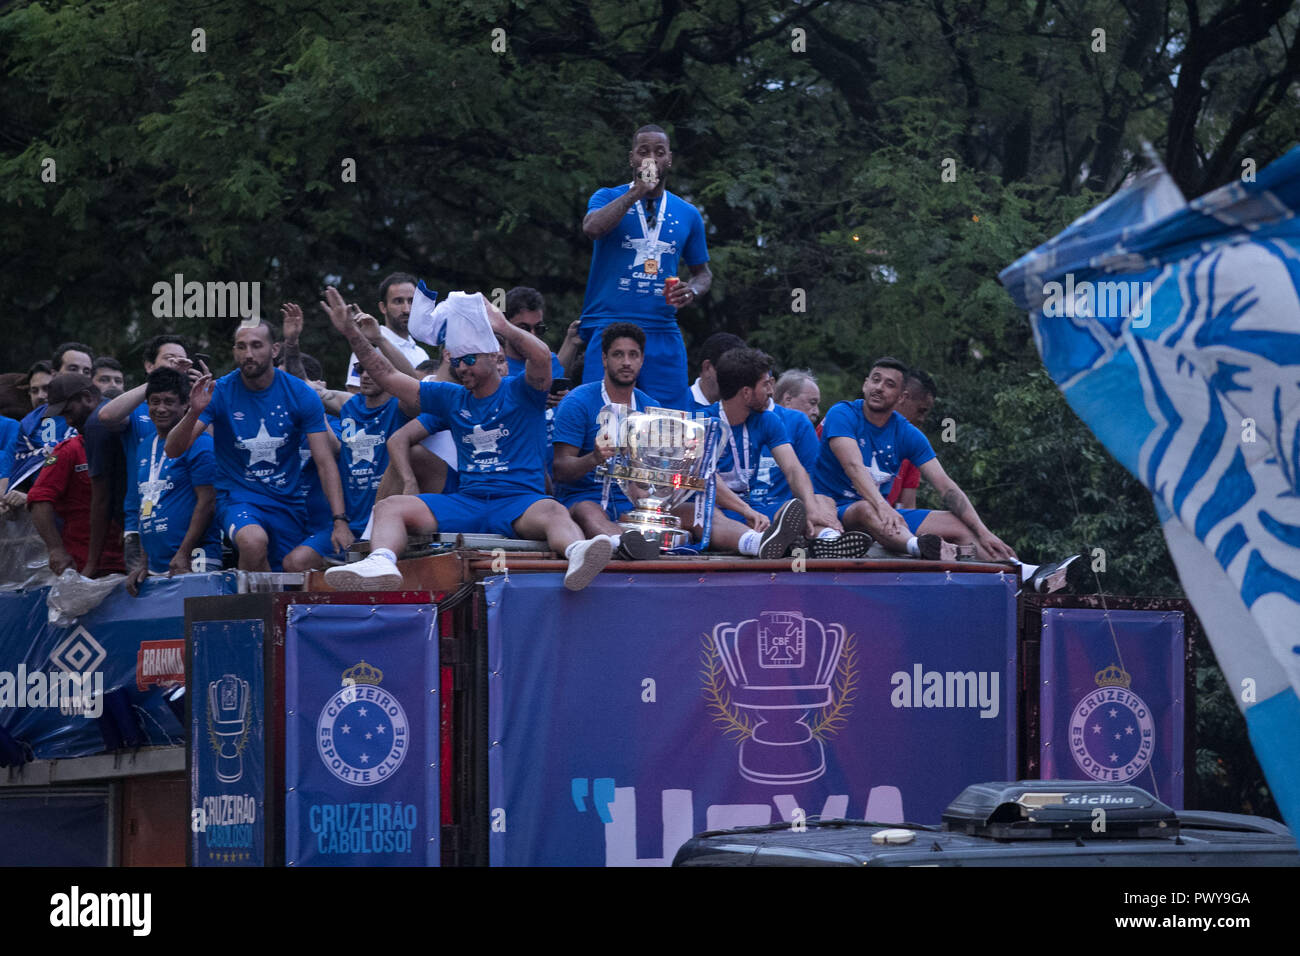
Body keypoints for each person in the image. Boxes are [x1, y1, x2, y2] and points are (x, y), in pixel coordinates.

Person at [320, 288, 613, 591]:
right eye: (458, 361)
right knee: (390, 507)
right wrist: (352, 334)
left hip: (520, 502)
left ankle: (578, 552)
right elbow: (389, 377)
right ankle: (381, 562)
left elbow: (539, 356)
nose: (461, 368)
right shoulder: (452, 397)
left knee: (554, 510)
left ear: (494, 356)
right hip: (468, 501)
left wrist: (503, 326)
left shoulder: (522, 391)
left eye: (470, 359)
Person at [166, 320, 351, 572]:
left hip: (287, 503)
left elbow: (325, 462)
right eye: (241, 347)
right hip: (237, 498)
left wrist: (339, 520)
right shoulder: (219, 391)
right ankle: (250, 611)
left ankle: (262, 606)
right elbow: (173, 450)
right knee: (253, 542)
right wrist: (193, 411)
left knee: (284, 574)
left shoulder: (299, 393)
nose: (248, 354)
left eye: (256, 345)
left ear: (274, 350)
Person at [812, 357, 1016, 562]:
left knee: (958, 524)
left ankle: (1018, 570)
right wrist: (884, 507)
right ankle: (919, 547)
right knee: (868, 508)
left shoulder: (909, 434)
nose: (879, 388)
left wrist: (984, 532)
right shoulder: (842, 413)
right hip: (832, 509)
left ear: (901, 396)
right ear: (865, 384)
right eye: (875, 380)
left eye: (889, 384)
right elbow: (853, 466)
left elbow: (946, 486)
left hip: (882, 515)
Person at [579, 124, 711, 408]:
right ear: (632, 159)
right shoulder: (606, 196)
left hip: (661, 327)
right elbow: (592, 228)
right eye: (644, 152)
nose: (651, 158)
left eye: (659, 152)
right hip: (609, 323)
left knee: (668, 422)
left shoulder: (687, 213)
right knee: (603, 418)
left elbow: (703, 273)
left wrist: (694, 291)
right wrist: (636, 192)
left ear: (670, 159)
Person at [698, 348, 844, 558]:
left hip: (752, 506)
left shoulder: (767, 420)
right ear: (746, 392)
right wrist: (746, 511)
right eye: (765, 384)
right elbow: (709, 480)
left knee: (793, 509)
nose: (771, 391)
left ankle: (829, 540)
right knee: (708, 518)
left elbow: (793, 469)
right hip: (715, 506)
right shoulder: (703, 422)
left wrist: (811, 507)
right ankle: (759, 543)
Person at [282, 365, 410, 571]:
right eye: (361, 369)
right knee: (295, 562)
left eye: (373, 367)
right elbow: (303, 387)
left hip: (386, 524)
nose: (366, 375)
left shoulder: (401, 407)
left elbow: (421, 390)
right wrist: (291, 344)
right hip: (348, 524)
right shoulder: (350, 406)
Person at [552, 323, 660, 559]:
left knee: (696, 512)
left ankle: (751, 541)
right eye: (618, 354)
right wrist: (594, 458)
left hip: (632, 504)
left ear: (642, 360)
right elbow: (559, 470)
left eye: (633, 355)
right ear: (604, 359)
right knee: (589, 512)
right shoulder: (578, 402)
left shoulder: (652, 409)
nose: (626, 362)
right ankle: (627, 546)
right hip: (583, 498)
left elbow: (652, 477)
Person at [125, 367, 222, 593]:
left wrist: (184, 552)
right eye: (154, 401)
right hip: (157, 564)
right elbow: (146, 502)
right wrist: (143, 561)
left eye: (169, 402)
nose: (160, 408)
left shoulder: (200, 442)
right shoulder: (144, 446)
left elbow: (208, 502)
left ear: (185, 405)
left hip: (194, 559)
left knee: (195, 626)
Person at [26, 373, 125, 575]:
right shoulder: (69, 450)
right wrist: (56, 549)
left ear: (88, 398)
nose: (69, 422)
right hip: (86, 565)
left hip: (132, 561)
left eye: (69, 412)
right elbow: (38, 499)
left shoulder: (133, 441)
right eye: (62, 416)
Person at [343, 274, 430, 392]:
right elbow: (355, 392)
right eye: (398, 301)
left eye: (411, 301)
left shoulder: (422, 354)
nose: (406, 309)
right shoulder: (369, 344)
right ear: (383, 307)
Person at [887, 369, 937, 509]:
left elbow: (908, 507)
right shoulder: (847, 422)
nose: (921, 419)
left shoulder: (912, 445)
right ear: (903, 397)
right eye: (920, 410)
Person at [687, 332, 746, 412]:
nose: (738, 382)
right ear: (707, 368)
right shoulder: (678, 406)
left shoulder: (746, 408)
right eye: (731, 373)